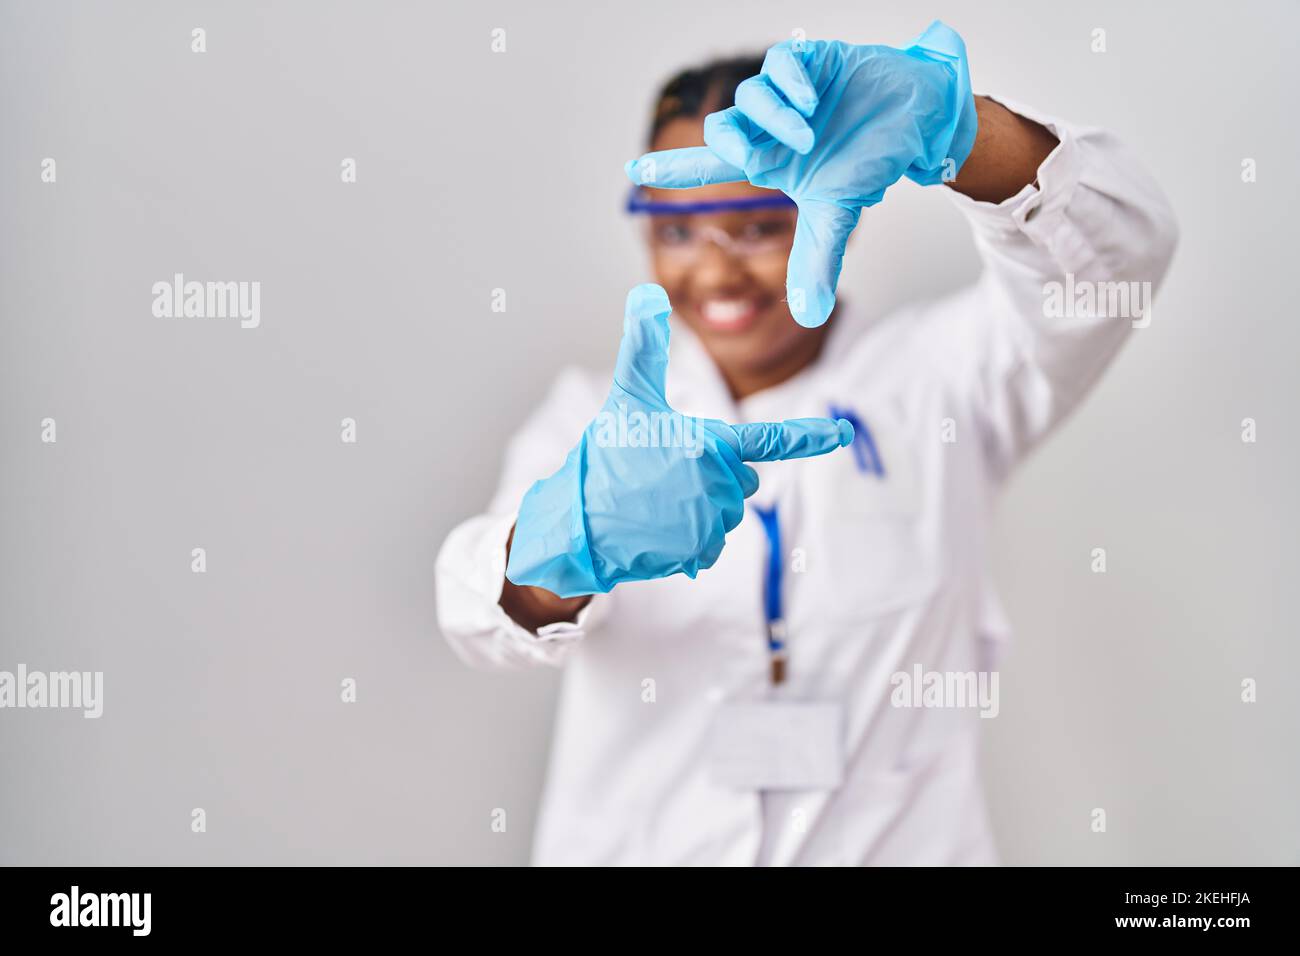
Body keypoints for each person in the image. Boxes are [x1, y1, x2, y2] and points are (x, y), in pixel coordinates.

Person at [436, 21, 1177, 865]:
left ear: (837, 202)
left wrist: (959, 132)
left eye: (755, 225)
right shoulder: (590, 421)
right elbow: (469, 615)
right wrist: (564, 547)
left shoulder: (942, 379)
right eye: (676, 232)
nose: (714, 272)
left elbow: (1117, 265)